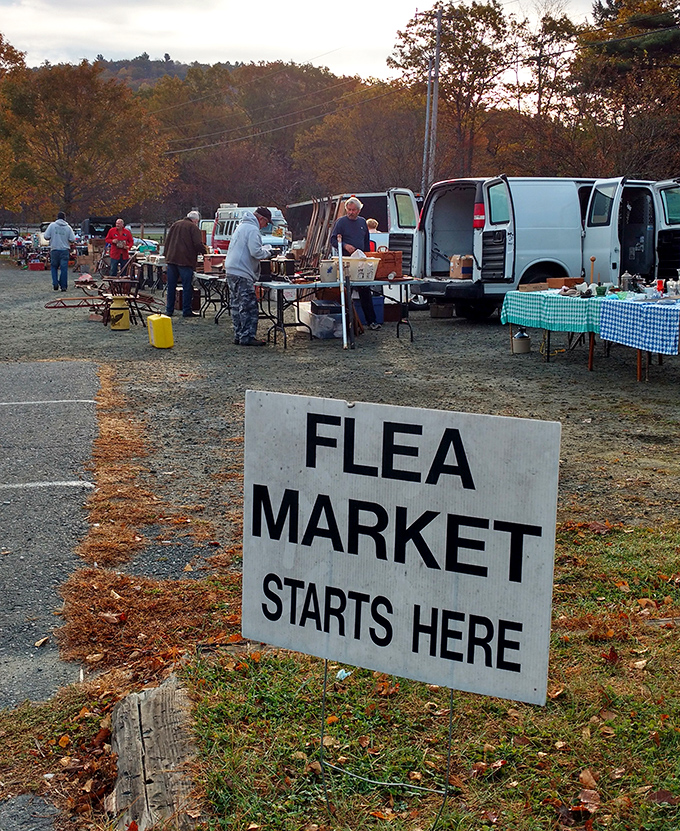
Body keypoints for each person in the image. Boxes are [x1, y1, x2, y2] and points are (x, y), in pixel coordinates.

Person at [330, 197, 381, 330]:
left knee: (365, 292)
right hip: (347, 261)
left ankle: (372, 321)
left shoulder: (363, 222)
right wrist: (345, 246)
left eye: (353, 210)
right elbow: (333, 240)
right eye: (349, 209)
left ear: (358, 210)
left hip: (360, 261)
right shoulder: (341, 222)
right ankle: (341, 322)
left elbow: (366, 243)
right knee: (346, 292)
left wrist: (367, 258)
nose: (351, 212)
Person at [225, 207, 273, 346]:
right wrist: (269, 253)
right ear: (262, 219)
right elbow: (256, 253)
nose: (265, 226)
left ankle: (238, 334)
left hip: (232, 271)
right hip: (242, 272)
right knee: (249, 306)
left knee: (236, 305)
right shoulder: (252, 229)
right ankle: (247, 337)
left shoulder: (241, 226)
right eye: (267, 223)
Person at [164, 210, 207, 318]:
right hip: (185, 260)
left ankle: (169, 310)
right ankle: (186, 310)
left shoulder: (175, 224)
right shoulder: (193, 228)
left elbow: (167, 241)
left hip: (171, 259)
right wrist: (205, 252)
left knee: (171, 286)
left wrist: (166, 255)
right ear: (196, 221)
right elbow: (197, 243)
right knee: (187, 286)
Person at [43, 211, 76, 292]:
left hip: (54, 249)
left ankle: (55, 283)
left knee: (54, 267)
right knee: (64, 269)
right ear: (64, 218)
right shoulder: (68, 227)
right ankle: (63, 286)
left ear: (57, 218)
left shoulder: (52, 225)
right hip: (64, 250)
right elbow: (72, 239)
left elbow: (46, 236)